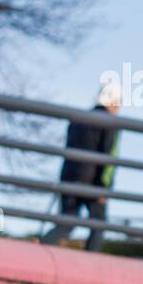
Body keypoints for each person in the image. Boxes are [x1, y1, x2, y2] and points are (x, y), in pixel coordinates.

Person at [41, 83, 121, 251]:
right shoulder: (111, 123)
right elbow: (109, 159)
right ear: (113, 102)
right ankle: (90, 263)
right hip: (94, 183)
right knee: (98, 226)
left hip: (70, 177)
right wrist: (104, 188)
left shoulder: (78, 119)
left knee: (67, 224)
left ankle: (40, 250)